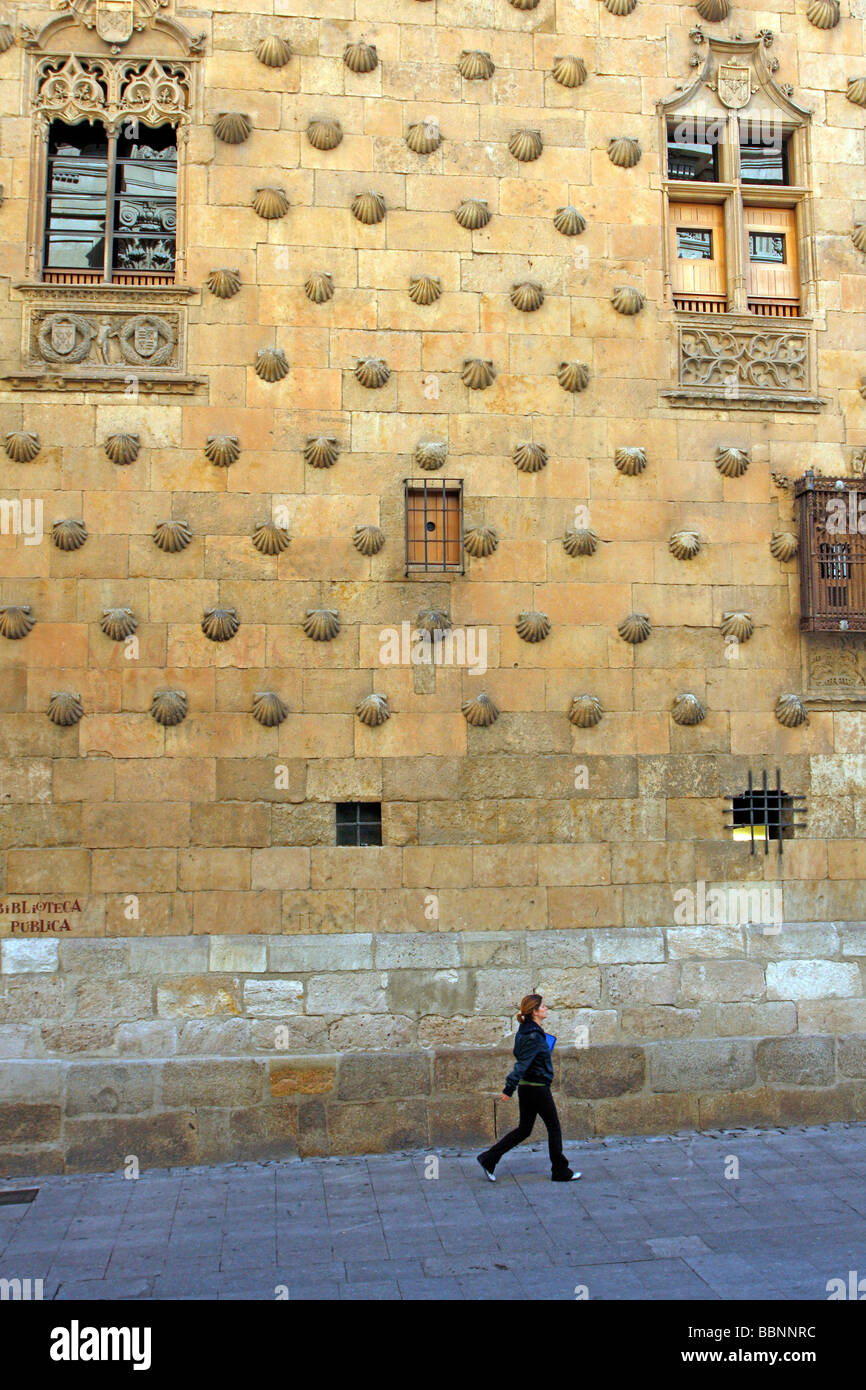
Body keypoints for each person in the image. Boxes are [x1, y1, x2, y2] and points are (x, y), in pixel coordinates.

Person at [476, 993, 581, 1183]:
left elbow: (522, 1056)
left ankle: (489, 1158)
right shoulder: (533, 1035)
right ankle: (560, 1171)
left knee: (524, 1129)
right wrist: (508, 1089)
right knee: (554, 1127)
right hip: (537, 1087)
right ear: (534, 1011)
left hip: (528, 1087)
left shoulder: (526, 1031)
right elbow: (522, 1063)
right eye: (543, 1007)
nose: (546, 1009)